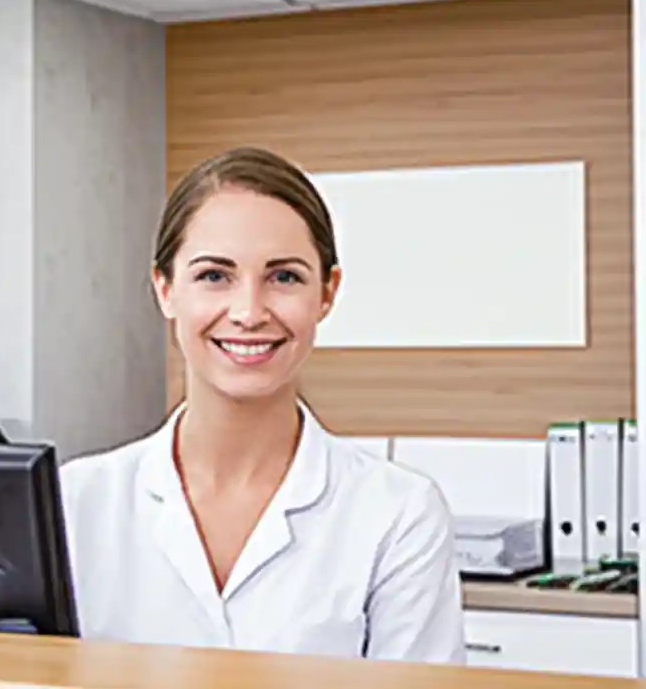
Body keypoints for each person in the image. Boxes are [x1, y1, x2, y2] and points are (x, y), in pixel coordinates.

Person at [60, 147, 464, 663]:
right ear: (165, 289)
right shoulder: (76, 503)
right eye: (213, 276)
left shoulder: (399, 514)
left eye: (284, 277)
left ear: (327, 292)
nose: (249, 313)